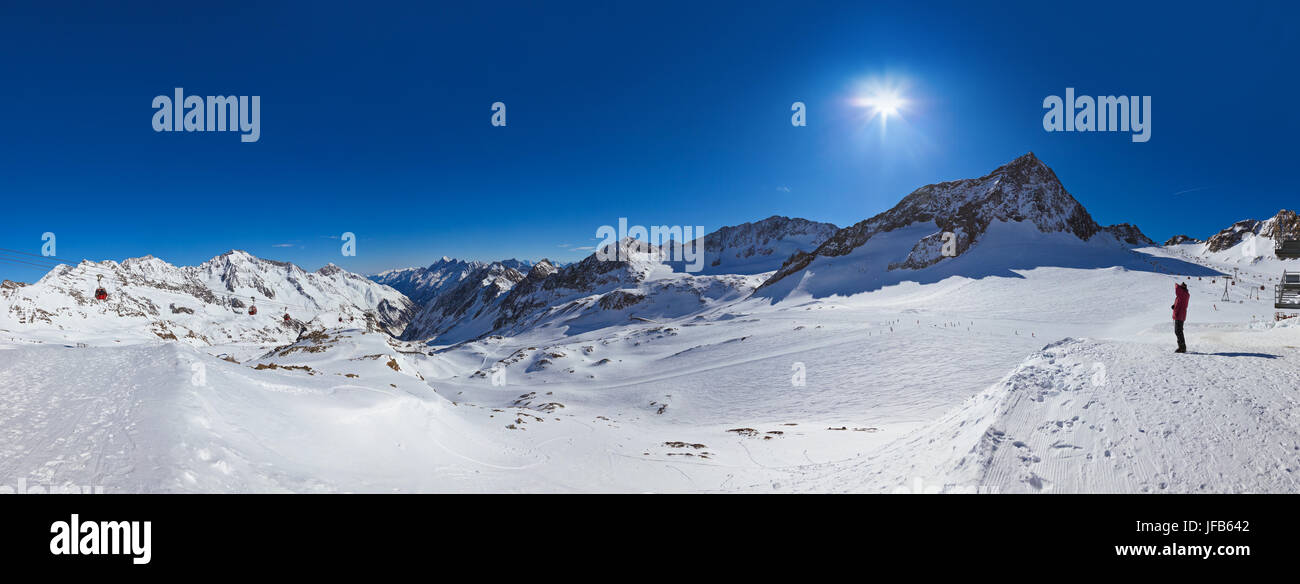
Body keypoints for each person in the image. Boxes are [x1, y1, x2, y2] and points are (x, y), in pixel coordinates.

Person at [1171, 282, 1189, 353]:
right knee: (1179, 331)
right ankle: (1182, 347)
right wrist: (1174, 306)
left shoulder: (1182, 294)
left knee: (1178, 331)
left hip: (1179, 315)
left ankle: (1182, 347)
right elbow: (1180, 303)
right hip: (1181, 314)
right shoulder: (1184, 294)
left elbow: (1177, 288)